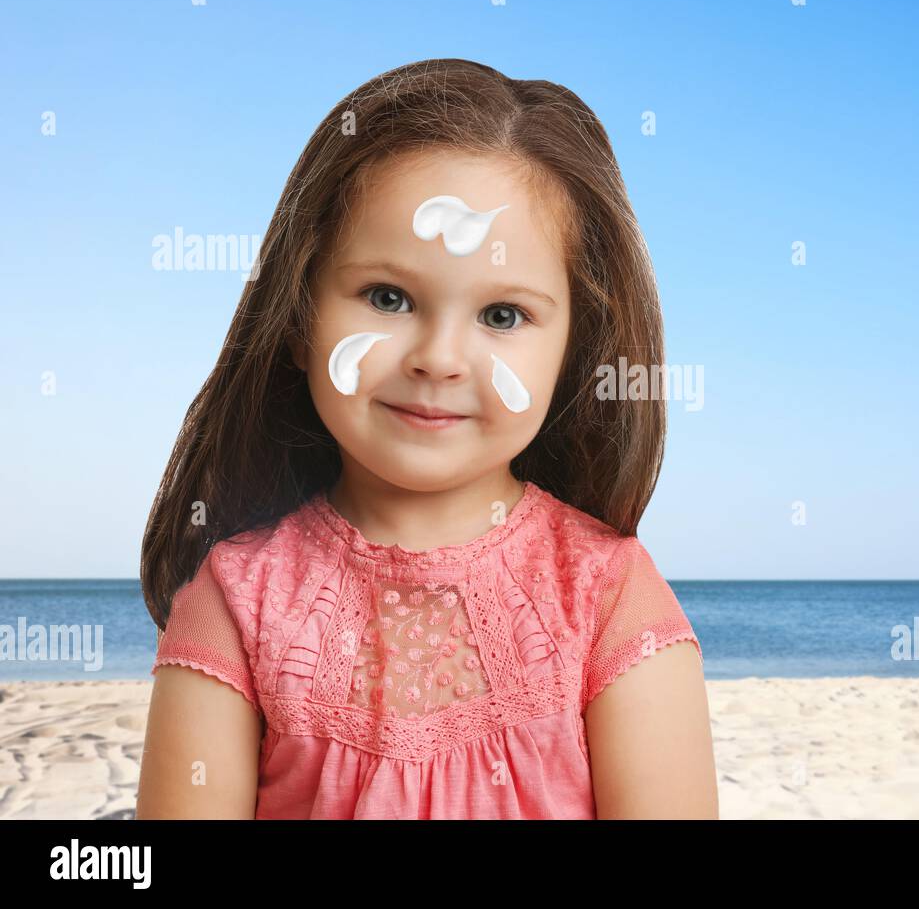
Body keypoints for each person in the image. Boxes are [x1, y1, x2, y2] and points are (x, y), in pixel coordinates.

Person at [134, 59, 716, 819]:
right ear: (301, 313)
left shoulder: (607, 599)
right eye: (388, 297)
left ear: (575, 349)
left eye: (503, 316)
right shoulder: (235, 604)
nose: (439, 359)